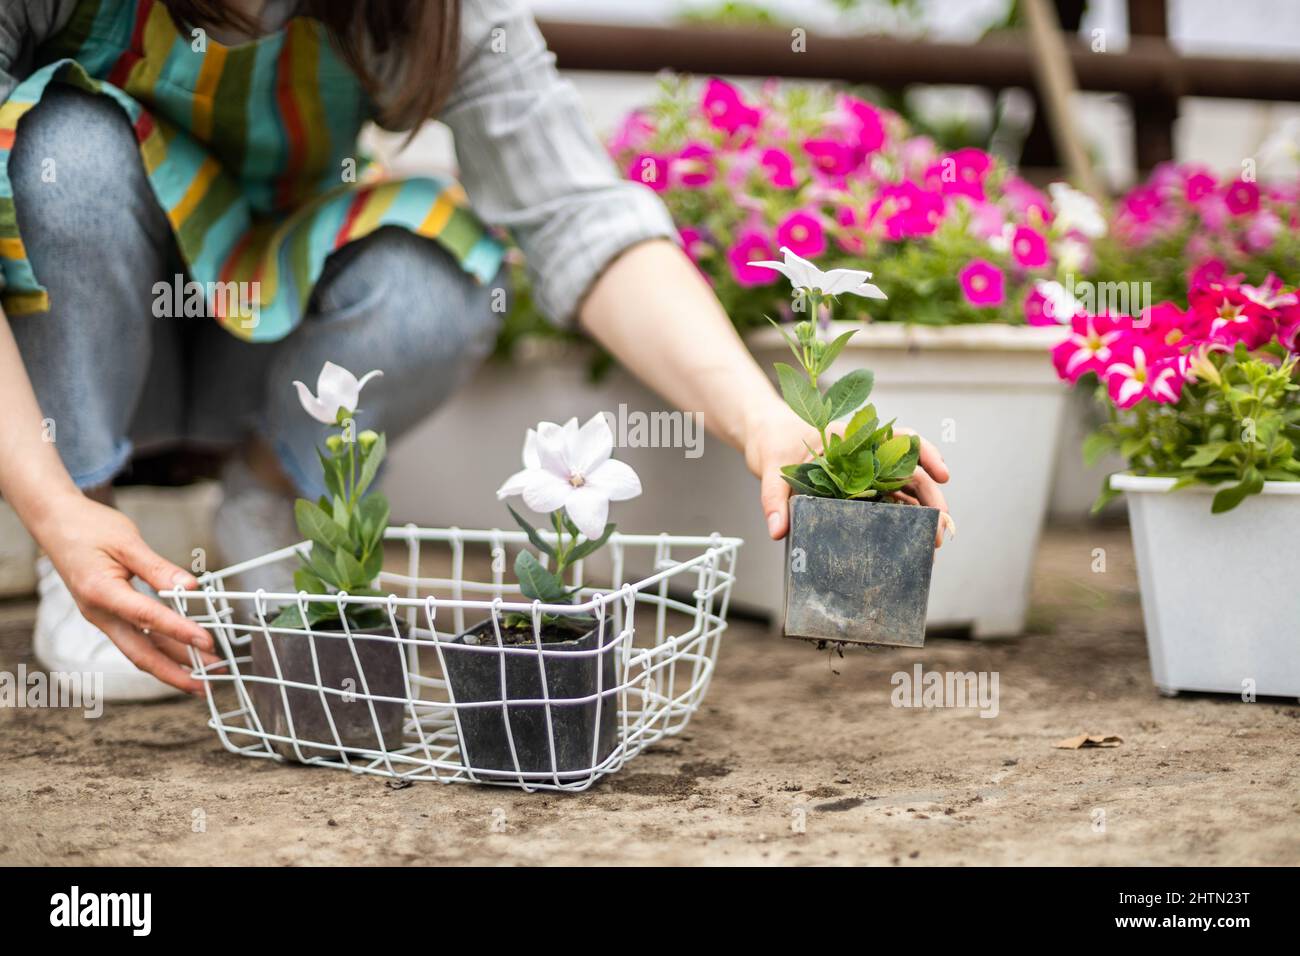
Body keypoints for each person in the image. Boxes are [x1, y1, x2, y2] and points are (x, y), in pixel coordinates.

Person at [0, 0, 949, 700]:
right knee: (65, 148)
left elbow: (576, 213)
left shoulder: (433, 11)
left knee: (444, 264)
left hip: (266, 326)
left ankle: (267, 500)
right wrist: (46, 505)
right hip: (89, 336)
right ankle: (87, 537)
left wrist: (763, 420)